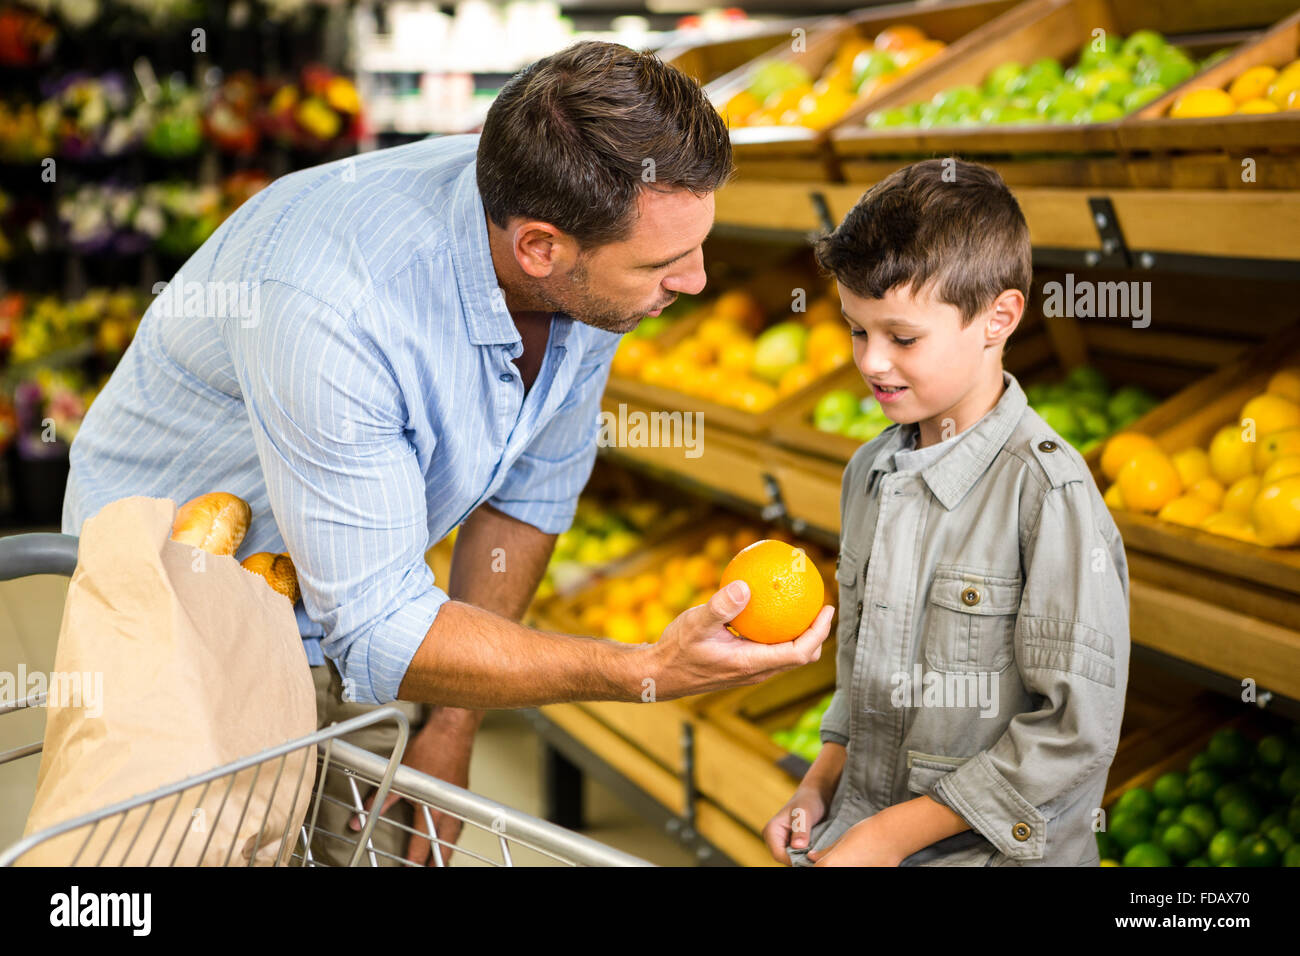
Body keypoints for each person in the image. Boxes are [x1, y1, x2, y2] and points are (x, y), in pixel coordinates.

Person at [61, 40, 833, 866]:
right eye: (665, 263)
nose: (698, 282)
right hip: (177, 594)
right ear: (540, 248)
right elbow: (379, 628)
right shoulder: (336, 307)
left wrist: (452, 722)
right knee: (186, 853)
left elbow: (527, 491)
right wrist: (642, 665)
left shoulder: (590, 252)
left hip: (344, 588)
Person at [762, 159, 1130, 867]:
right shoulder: (868, 472)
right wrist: (819, 786)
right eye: (854, 331)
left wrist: (888, 835)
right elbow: (859, 674)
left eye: (901, 338)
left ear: (1000, 317)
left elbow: (1073, 732)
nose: (871, 362)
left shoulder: (1049, 496)